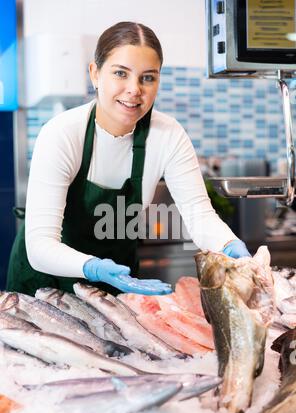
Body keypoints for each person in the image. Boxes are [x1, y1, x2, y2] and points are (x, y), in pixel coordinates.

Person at [7, 21, 250, 298]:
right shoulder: (61, 134)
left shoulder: (168, 135)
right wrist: (94, 268)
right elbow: (39, 246)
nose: (134, 89)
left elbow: (199, 215)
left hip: (116, 283)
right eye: (121, 73)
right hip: (45, 287)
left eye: (148, 77)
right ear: (95, 74)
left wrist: (229, 244)